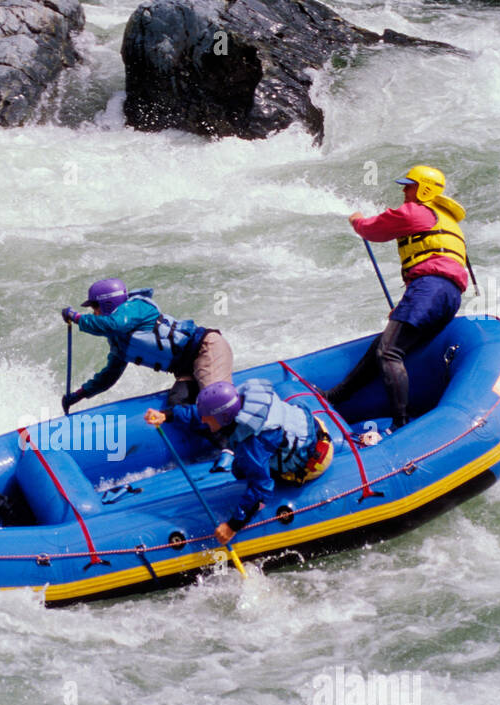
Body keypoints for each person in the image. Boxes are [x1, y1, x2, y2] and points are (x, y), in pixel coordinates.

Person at [323, 165, 472, 429]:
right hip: (448, 296)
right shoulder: (446, 219)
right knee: (383, 345)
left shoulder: (417, 212)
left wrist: (357, 221)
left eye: (409, 186)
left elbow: (374, 229)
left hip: (430, 289)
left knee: (389, 351)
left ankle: (400, 423)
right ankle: (336, 396)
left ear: (425, 190)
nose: (404, 191)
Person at [145, 380, 333, 545]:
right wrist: (167, 415)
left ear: (223, 418)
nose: (202, 419)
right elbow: (199, 414)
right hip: (316, 427)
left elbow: (261, 488)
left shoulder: (253, 443)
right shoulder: (238, 405)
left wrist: (232, 526)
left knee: (242, 468)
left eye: (207, 417)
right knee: (241, 465)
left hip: (313, 462)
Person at [58, 278, 234, 414]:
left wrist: (77, 318)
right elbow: (108, 376)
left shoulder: (136, 307)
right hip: (187, 370)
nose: (94, 313)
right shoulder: (120, 343)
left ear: (107, 303)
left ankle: (230, 443)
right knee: (176, 404)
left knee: (214, 404)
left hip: (206, 350)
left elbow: (114, 325)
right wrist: (79, 395)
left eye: (95, 308)